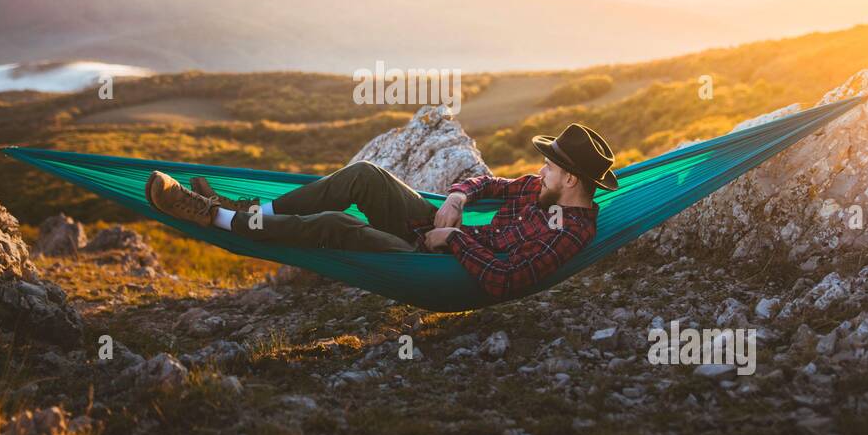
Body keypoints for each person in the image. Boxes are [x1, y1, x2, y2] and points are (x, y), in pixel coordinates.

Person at [145, 122, 618, 301]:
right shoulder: (541, 189)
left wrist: (452, 241)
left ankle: (212, 216)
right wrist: (456, 199)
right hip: (435, 238)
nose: (540, 168)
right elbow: (489, 182)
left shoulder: (568, 233)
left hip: (444, 271)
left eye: (549, 164)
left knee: (337, 225)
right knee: (366, 175)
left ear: (571, 179)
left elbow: (508, 279)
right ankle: (250, 208)